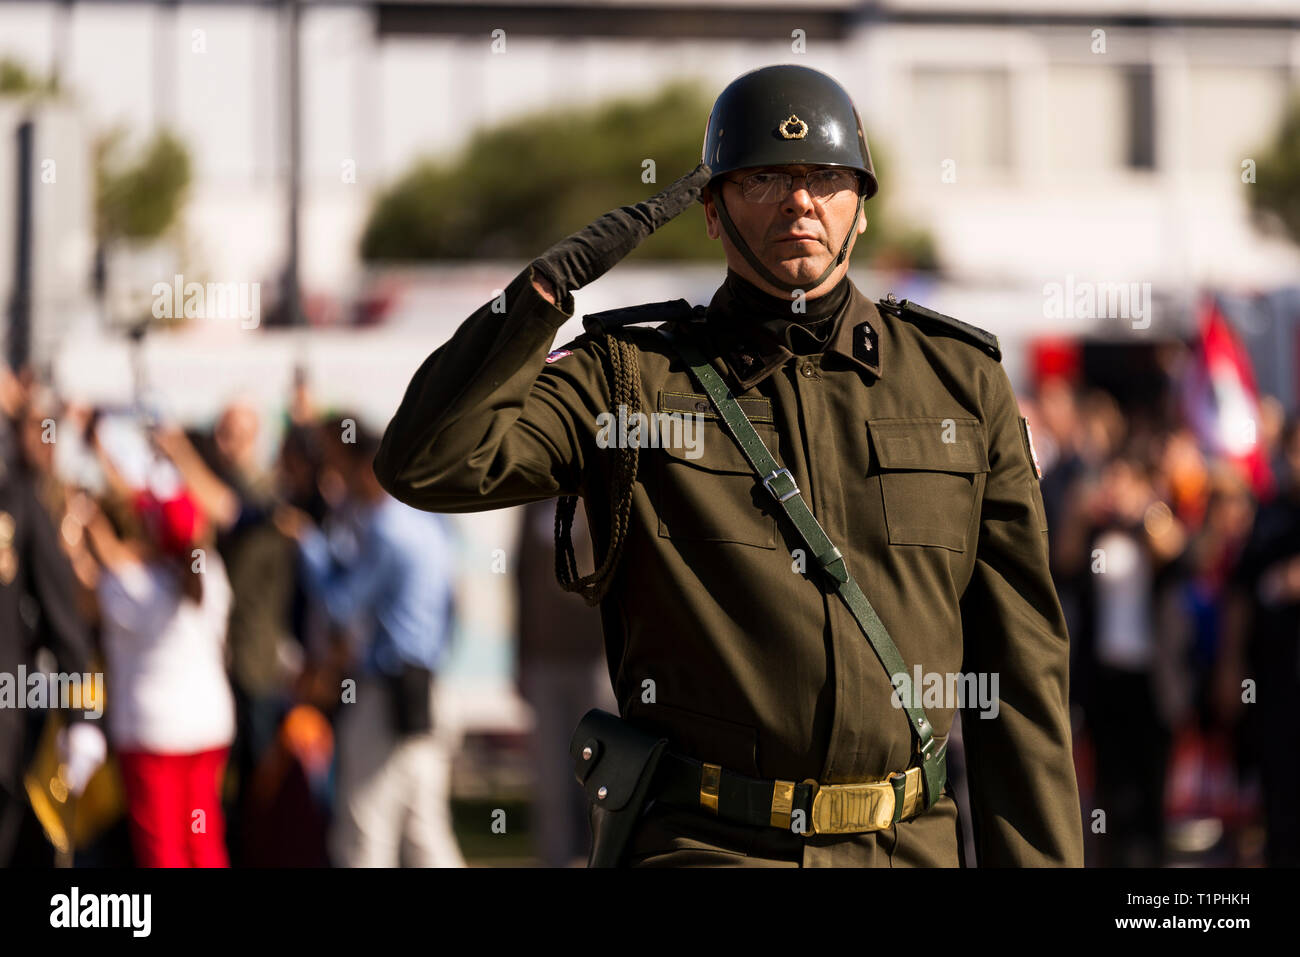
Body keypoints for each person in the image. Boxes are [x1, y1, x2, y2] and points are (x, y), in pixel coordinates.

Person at [374, 64, 1083, 867]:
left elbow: (1020, 679)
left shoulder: (960, 382)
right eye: (765, 179)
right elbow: (428, 462)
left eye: (826, 176)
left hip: (905, 846)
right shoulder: (629, 379)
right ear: (711, 211)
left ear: (860, 201)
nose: (800, 201)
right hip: (705, 845)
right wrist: (545, 287)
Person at [277, 418, 463, 868]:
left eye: (341, 470)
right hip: (427, 689)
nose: (335, 482)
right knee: (423, 830)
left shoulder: (386, 528)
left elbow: (342, 604)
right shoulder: (429, 522)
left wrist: (308, 545)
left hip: (386, 694)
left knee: (363, 830)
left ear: (367, 469)